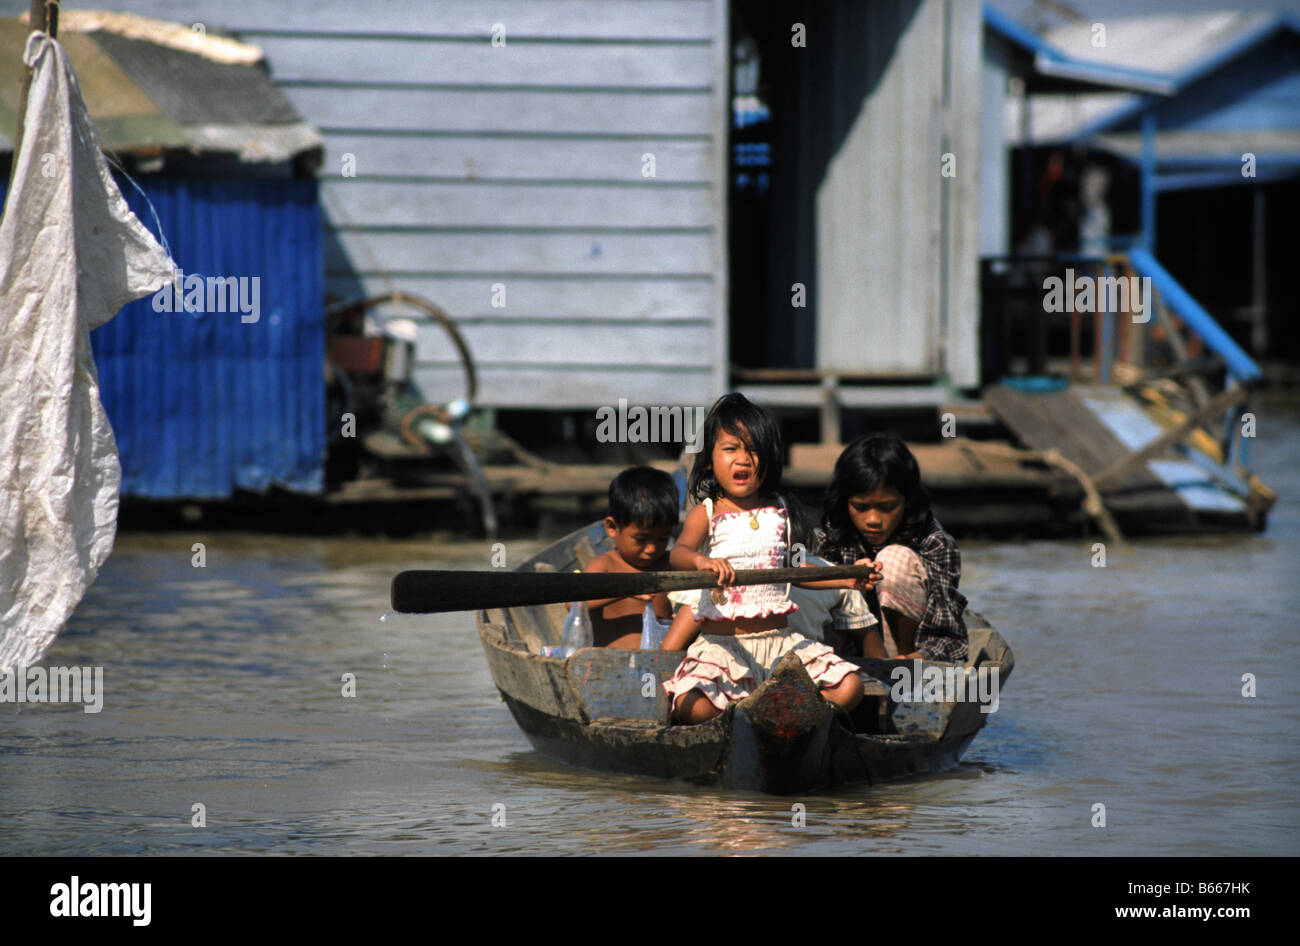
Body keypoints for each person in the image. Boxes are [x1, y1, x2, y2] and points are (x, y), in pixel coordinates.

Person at [660, 393, 871, 725]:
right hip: (723, 647)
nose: (743, 459)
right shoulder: (707, 512)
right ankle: (745, 720)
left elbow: (796, 570)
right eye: (731, 449)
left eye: (753, 450)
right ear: (711, 460)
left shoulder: (781, 513)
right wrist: (703, 564)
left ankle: (784, 721)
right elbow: (679, 553)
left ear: (769, 460)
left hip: (780, 644)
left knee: (850, 688)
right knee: (690, 705)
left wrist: (847, 578)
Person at [814, 433, 969, 663]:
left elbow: (949, 637)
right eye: (861, 507)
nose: (873, 520)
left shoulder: (933, 542)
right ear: (845, 501)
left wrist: (913, 659)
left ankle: (899, 661)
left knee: (892, 560)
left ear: (907, 501)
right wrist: (848, 578)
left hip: (914, 656)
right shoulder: (831, 536)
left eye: (887, 507)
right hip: (847, 650)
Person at [582, 466, 678, 649]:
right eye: (641, 539)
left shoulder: (671, 564)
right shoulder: (605, 565)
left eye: (662, 538)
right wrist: (626, 589)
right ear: (612, 527)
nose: (651, 549)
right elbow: (573, 603)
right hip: (610, 664)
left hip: (664, 665)